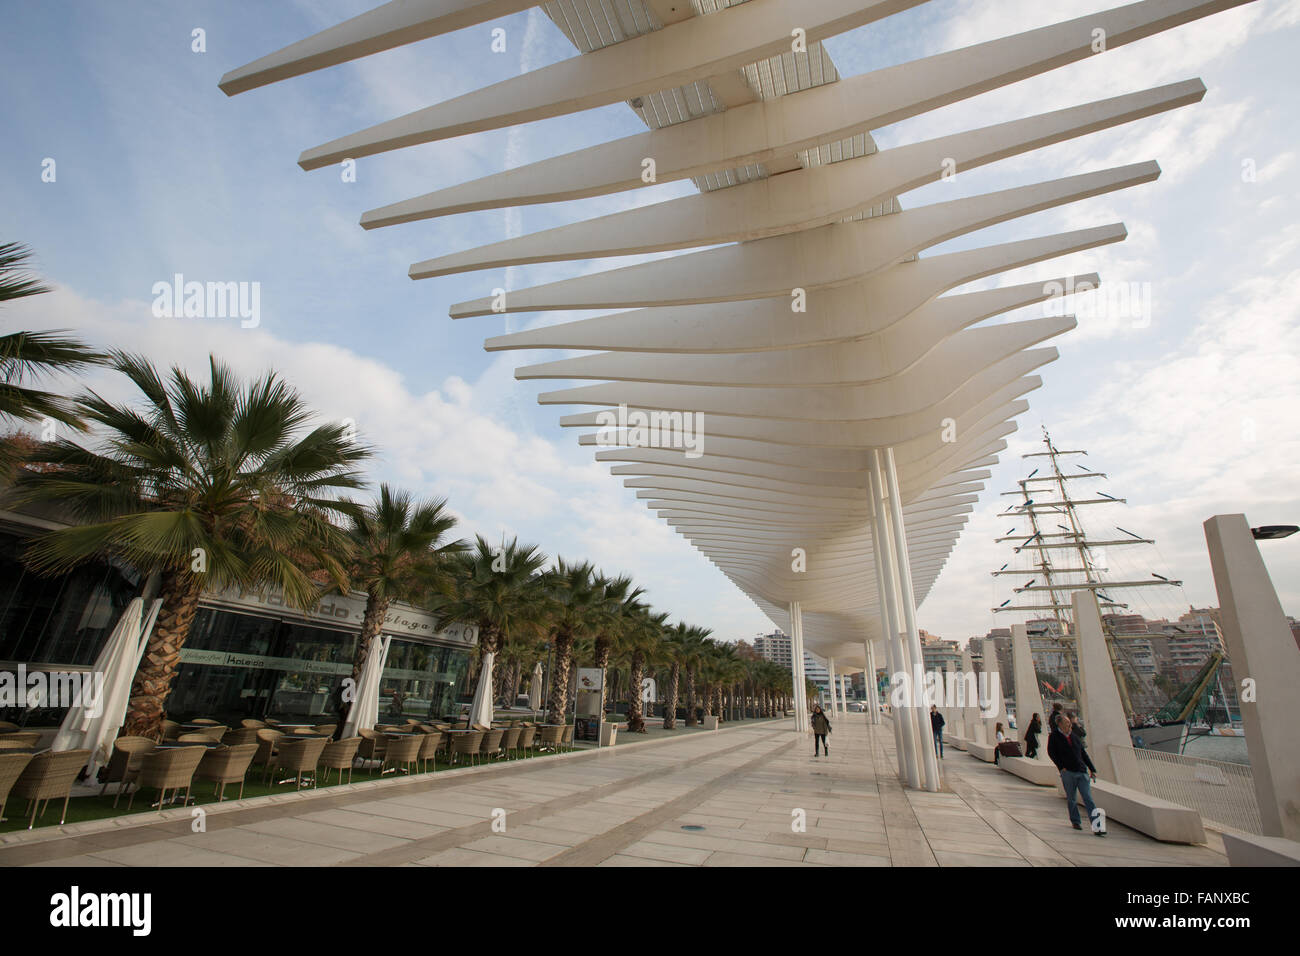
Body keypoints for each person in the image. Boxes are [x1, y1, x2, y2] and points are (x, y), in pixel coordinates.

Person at [1047, 712, 1106, 835]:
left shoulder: (1074, 736)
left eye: (1069, 722)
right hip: (1068, 772)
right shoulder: (1054, 736)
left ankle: (1097, 827)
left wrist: (1092, 768)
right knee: (1072, 799)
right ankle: (1075, 821)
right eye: (1067, 722)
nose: (1069, 724)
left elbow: (1083, 753)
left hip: (1081, 771)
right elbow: (1051, 752)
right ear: (1060, 724)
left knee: (1088, 799)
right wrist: (1061, 767)